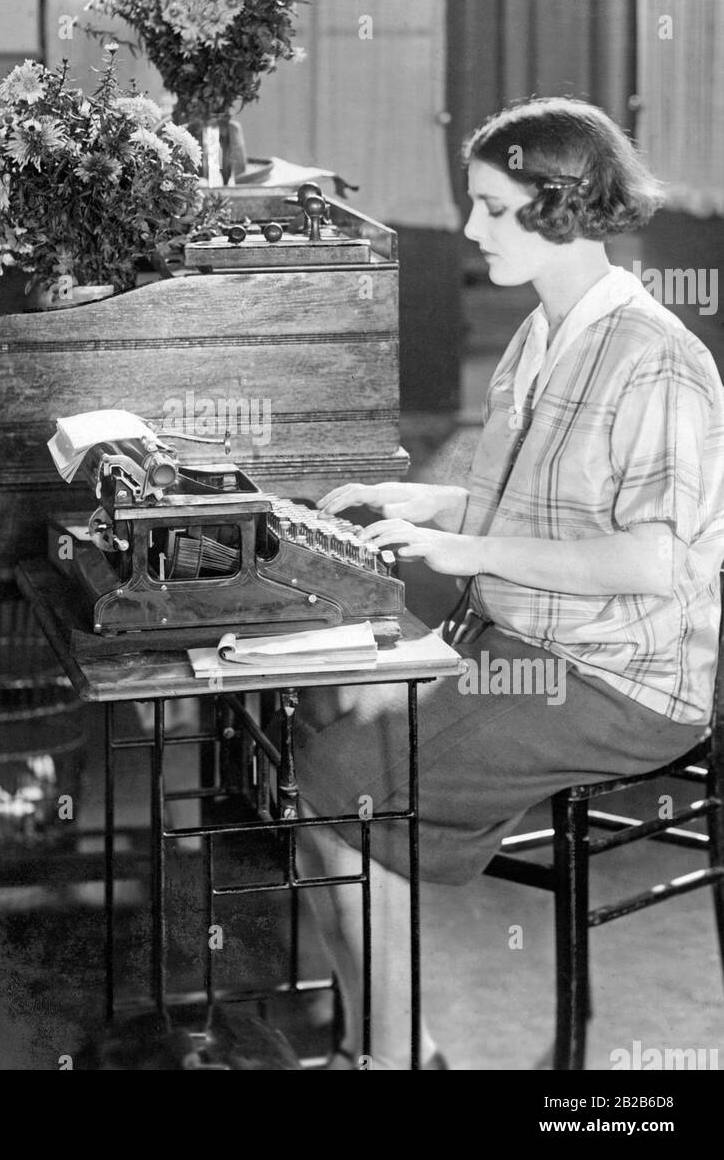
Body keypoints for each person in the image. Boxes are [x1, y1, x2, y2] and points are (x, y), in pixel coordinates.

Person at [293, 96, 724, 1069]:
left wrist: (473, 552)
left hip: (619, 677)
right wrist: (409, 497)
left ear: (559, 208)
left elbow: (654, 562)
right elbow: (526, 504)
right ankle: (394, 1042)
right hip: (520, 642)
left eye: (490, 206)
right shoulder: (540, 337)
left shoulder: (653, 360)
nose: (470, 226)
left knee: (339, 785)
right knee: (319, 720)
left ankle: (393, 1057)